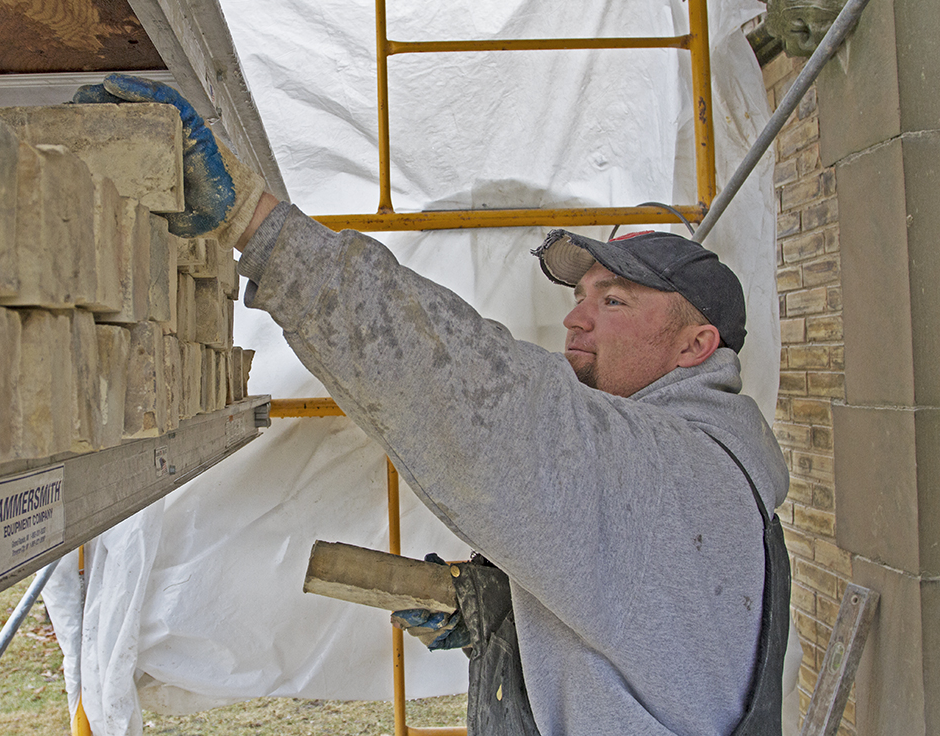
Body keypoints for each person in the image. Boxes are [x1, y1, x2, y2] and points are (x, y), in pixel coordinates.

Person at [78, 75, 791, 736]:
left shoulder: (681, 479)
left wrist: (257, 227)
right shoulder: (696, 476)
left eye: (614, 301)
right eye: (579, 297)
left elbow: (472, 395)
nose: (577, 320)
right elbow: (636, 625)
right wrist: (491, 607)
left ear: (696, 344)